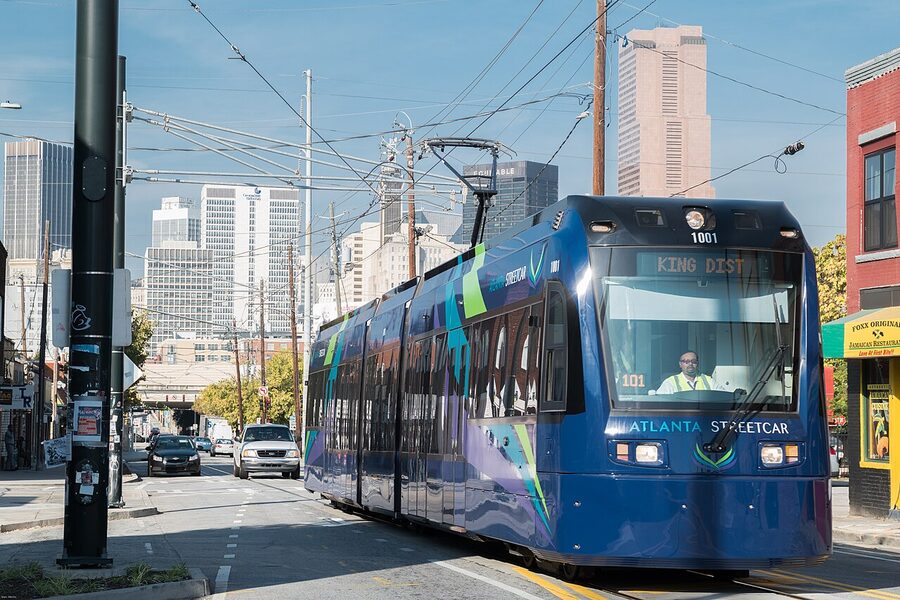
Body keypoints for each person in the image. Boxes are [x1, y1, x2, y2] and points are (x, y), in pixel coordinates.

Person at [657, 351, 724, 394]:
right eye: (686, 361)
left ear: (697, 363)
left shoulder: (709, 381)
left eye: (693, 361)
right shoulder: (670, 382)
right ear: (680, 364)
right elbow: (660, 403)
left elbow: (724, 397)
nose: (690, 364)